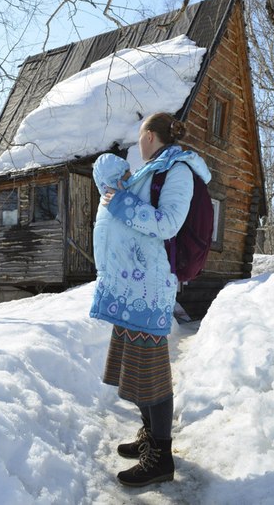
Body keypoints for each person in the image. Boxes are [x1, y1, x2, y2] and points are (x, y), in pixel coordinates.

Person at [90, 112, 211, 488]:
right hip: (133, 286)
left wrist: (121, 204)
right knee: (138, 373)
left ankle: (161, 457)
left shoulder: (177, 170)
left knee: (152, 375)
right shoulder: (153, 170)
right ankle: (150, 436)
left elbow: (168, 223)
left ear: (150, 136)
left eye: (140, 135)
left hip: (151, 288)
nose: (137, 142)